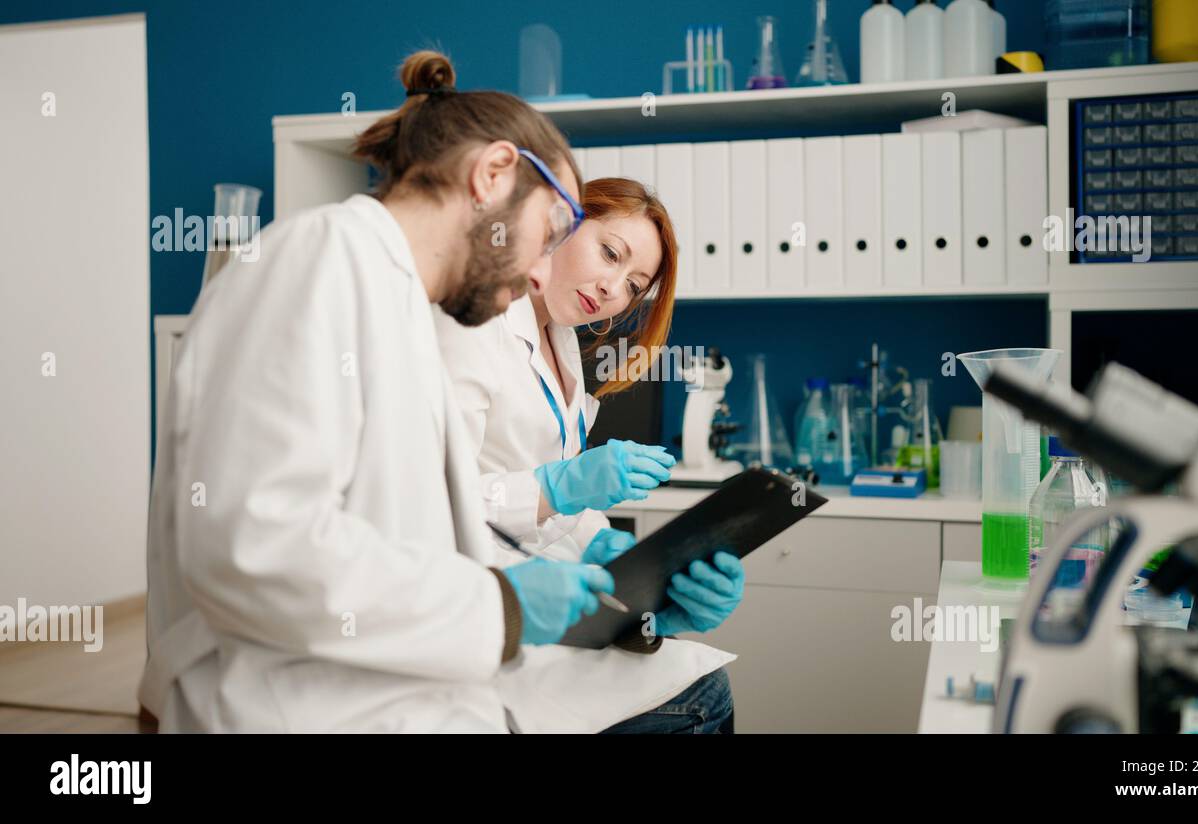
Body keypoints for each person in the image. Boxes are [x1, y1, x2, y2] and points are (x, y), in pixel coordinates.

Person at [138, 50, 608, 732]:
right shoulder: (318, 258)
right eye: (550, 235)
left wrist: (621, 593)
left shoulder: (403, 306)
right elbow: (258, 546)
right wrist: (499, 605)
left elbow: (406, 544)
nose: (542, 273)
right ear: (493, 172)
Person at [436, 178, 745, 733]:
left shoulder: (566, 349)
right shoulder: (473, 326)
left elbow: (562, 509)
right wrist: (557, 487)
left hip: (538, 594)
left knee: (693, 674)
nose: (611, 289)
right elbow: (436, 502)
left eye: (632, 284)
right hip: (473, 611)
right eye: (609, 253)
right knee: (703, 696)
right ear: (561, 221)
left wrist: (619, 559)